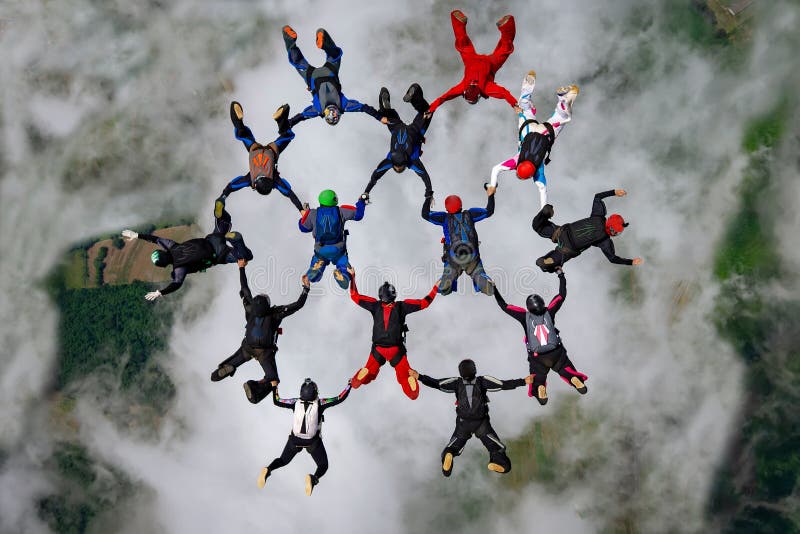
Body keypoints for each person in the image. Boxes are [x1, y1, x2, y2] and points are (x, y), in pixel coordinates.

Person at [409, 360, 532, 476]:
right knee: (497, 449)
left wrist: (419, 377)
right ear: (474, 370)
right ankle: (500, 463)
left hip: (463, 424)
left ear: (461, 372)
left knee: (452, 448)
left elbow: (437, 383)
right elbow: (502, 384)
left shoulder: (456, 382)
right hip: (481, 424)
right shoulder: (482, 381)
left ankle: (449, 454)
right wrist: (523, 381)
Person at [210, 265, 311, 404]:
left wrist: (241, 268)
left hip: (248, 347)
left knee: (232, 364)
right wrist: (306, 288)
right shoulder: (275, 313)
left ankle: (221, 371)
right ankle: (255, 388)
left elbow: (244, 288)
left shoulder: (250, 308)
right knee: (273, 379)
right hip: (264, 352)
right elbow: (298, 304)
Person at [493, 268, 587, 405]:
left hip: (538, 357)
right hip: (556, 352)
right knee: (565, 368)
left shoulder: (524, 316)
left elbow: (504, 306)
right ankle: (573, 378)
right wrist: (561, 275)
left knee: (537, 378)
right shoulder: (550, 311)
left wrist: (494, 289)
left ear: (528, 307)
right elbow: (561, 295)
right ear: (543, 303)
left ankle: (540, 388)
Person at [487, 71, 579, 208]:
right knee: (524, 108)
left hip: (546, 132)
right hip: (527, 129)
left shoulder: (538, 171)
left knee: (562, 117)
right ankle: (528, 87)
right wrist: (492, 187)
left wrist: (544, 210)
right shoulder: (516, 161)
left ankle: (564, 99)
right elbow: (496, 169)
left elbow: (542, 189)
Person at [121, 206, 253, 300]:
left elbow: (176, 284)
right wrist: (137, 235)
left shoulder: (180, 268)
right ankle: (219, 215)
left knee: (246, 256)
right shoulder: (172, 246)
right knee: (226, 221)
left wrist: (160, 292)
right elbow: (156, 239)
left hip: (219, 254)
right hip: (212, 239)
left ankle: (237, 241)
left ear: (164, 265)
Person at [347, 266, 438, 400]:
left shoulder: (375, 305)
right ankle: (411, 387)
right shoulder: (402, 306)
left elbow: (354, 296)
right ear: (394, 294)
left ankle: (361, 377)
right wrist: (435, 288)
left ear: (380, 295)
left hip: (378, 349)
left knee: (370, 373)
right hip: (396, 350)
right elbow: (424, 303)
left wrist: (352, 277)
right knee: (404, 377)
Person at [258, 379, 351, 496]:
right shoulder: (321, 403)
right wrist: (349, 385)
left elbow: (277, 400)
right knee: (323, 465)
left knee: (282, 460)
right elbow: (340, 398)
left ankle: (269, 469)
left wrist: (274, 386)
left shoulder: (294, 402)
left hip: (294, 440)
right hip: (312, 442)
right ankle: (314, 478)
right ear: (315, 392)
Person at [214, 101, 305, 215]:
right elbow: (232, 186)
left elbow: (289, 193)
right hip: (254, 149)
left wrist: (301, 209)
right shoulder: (250, 180)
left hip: (272, 150)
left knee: (287, 136)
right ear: (256, 185)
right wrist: (222, 197)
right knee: (243, 135)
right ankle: (239, 124)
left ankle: (281, 120)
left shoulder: (275, 181)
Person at [281, 25, 381, 126]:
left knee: (335, 55)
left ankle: (325, 43)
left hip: (330, 72)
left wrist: (380, 117)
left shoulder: (344, 105)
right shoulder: (318, 110)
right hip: (312, 77)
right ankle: (290, 40)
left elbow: (364, 108)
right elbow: (300, 117)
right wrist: (288, 124)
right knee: (297, 61)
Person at [532, 189, 644, 272]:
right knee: (552, 264)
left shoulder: (598, 216)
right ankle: (549, 261)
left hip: (562, 232)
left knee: (538, 226)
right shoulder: (604, 240)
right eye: (616, 232)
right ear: (612, 231)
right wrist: (631, 262)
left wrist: (614, 192)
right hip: (567, 248)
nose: (616, 234)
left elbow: (598, 197)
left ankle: (545, 214)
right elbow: (613, 258)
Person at [428, 10, 518, 113]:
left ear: (479, 96)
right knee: (463, 44)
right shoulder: (462, 87)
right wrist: (431, 108)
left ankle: (507, 25)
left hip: (490, 64)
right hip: (471, 61)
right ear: (465, 93)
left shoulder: (486, 89)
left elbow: (504, 93)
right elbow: (445, 97)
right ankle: (458, 22)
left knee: (505, 49)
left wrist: (515, 105)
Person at [362, 84, 434, 202]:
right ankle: (386, 108)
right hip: (395, 126)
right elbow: (376, 175)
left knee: (427, 109)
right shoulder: (390, 160)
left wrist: (429, 195)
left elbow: (425, 177)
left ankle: (413, 97)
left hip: (414, 130)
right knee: (384, 114)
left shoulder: (412, 161)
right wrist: (366, 192)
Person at [422, 189, 496, 295]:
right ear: (461, 205)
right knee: (478, 274)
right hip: (472, 256)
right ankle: (484, 280)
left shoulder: (444, 218)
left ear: (447, 208)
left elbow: (425, 214)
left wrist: (428, 197)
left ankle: (445, 285)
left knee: (445, 283)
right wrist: (490, 194)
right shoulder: (470, 214)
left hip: (454, 258)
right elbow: (489, 211)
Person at [299, 190, 366, 289]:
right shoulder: (341, 211)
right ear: (335, 200)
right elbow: (359, 215)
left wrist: (306, 215)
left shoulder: (313, 213)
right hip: (338, 250)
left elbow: (303, 228)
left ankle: (314, 273)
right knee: (343, 263)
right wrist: (361, 201)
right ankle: (343, 273)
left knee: (317, 264)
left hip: (321, 250)